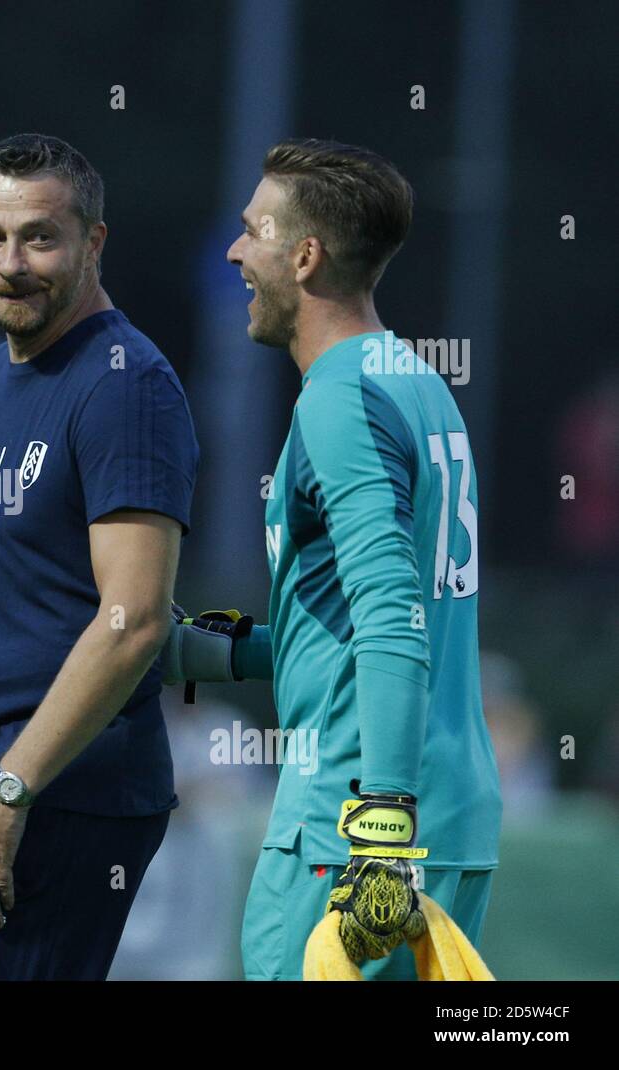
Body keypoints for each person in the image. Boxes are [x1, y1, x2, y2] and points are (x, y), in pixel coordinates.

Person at [164, 139, 501, 979]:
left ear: (305, 255)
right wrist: (228, 652)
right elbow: (392, 617)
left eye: (252, 232)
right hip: (454, 821)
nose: (237, 253)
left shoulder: (340, 400)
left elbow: (390, 619)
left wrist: (381, 831)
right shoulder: (417, 382)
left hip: (352, 832)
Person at [0, 134, 199, 980]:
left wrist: (6, 795)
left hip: (62, 794)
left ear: (93, 242)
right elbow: (9, 608)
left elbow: (134, 619)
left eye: (40, 236)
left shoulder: (125, 383)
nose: (12, 264)